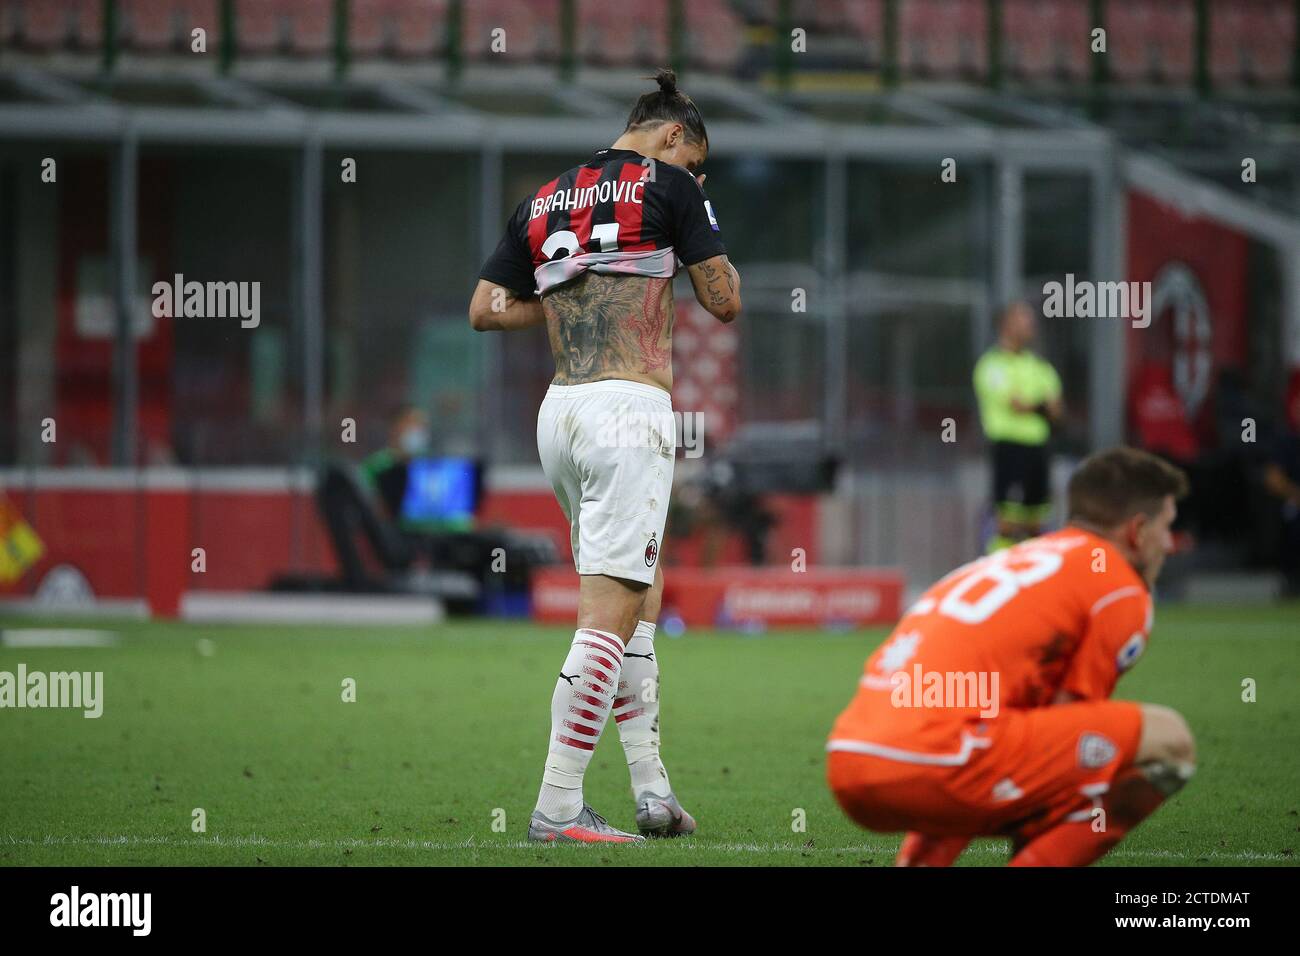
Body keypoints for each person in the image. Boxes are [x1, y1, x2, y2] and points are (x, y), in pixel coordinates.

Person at [469, 68, 742, 843]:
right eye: (696, 162)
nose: (695, 176)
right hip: (629, 409)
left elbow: (484, 310)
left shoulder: (547, 195)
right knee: (607, 616)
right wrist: (698, 224)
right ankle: (558, 806)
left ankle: (653, 792)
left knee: (639, 595)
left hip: (561, 413)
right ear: (671, 134)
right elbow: (725, 302)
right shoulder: (672, 186)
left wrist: (568, 291)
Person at [826, 447, 1194, 866]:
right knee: (1169, 743)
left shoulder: (1012, 560)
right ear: (1137, 530)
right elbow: (1073, 735)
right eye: (1167, 526)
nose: (1170, 543)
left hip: (852, 759)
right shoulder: (1118, 585)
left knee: (1008, 740)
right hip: (940, 759)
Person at [974, 302, 1063, 551]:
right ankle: (1000, 571)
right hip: (1009, 448)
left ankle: (1036, 577)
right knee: (1007, 521)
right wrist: (1041, 406)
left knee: (1038, 521)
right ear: (1006, 325)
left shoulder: (1039, 367)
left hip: (1039, 449)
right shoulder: (991, 366)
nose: (1030, 326)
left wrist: (1035, 407)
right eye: (1024, 320)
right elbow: (1017, 405)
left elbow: (1057, 411)